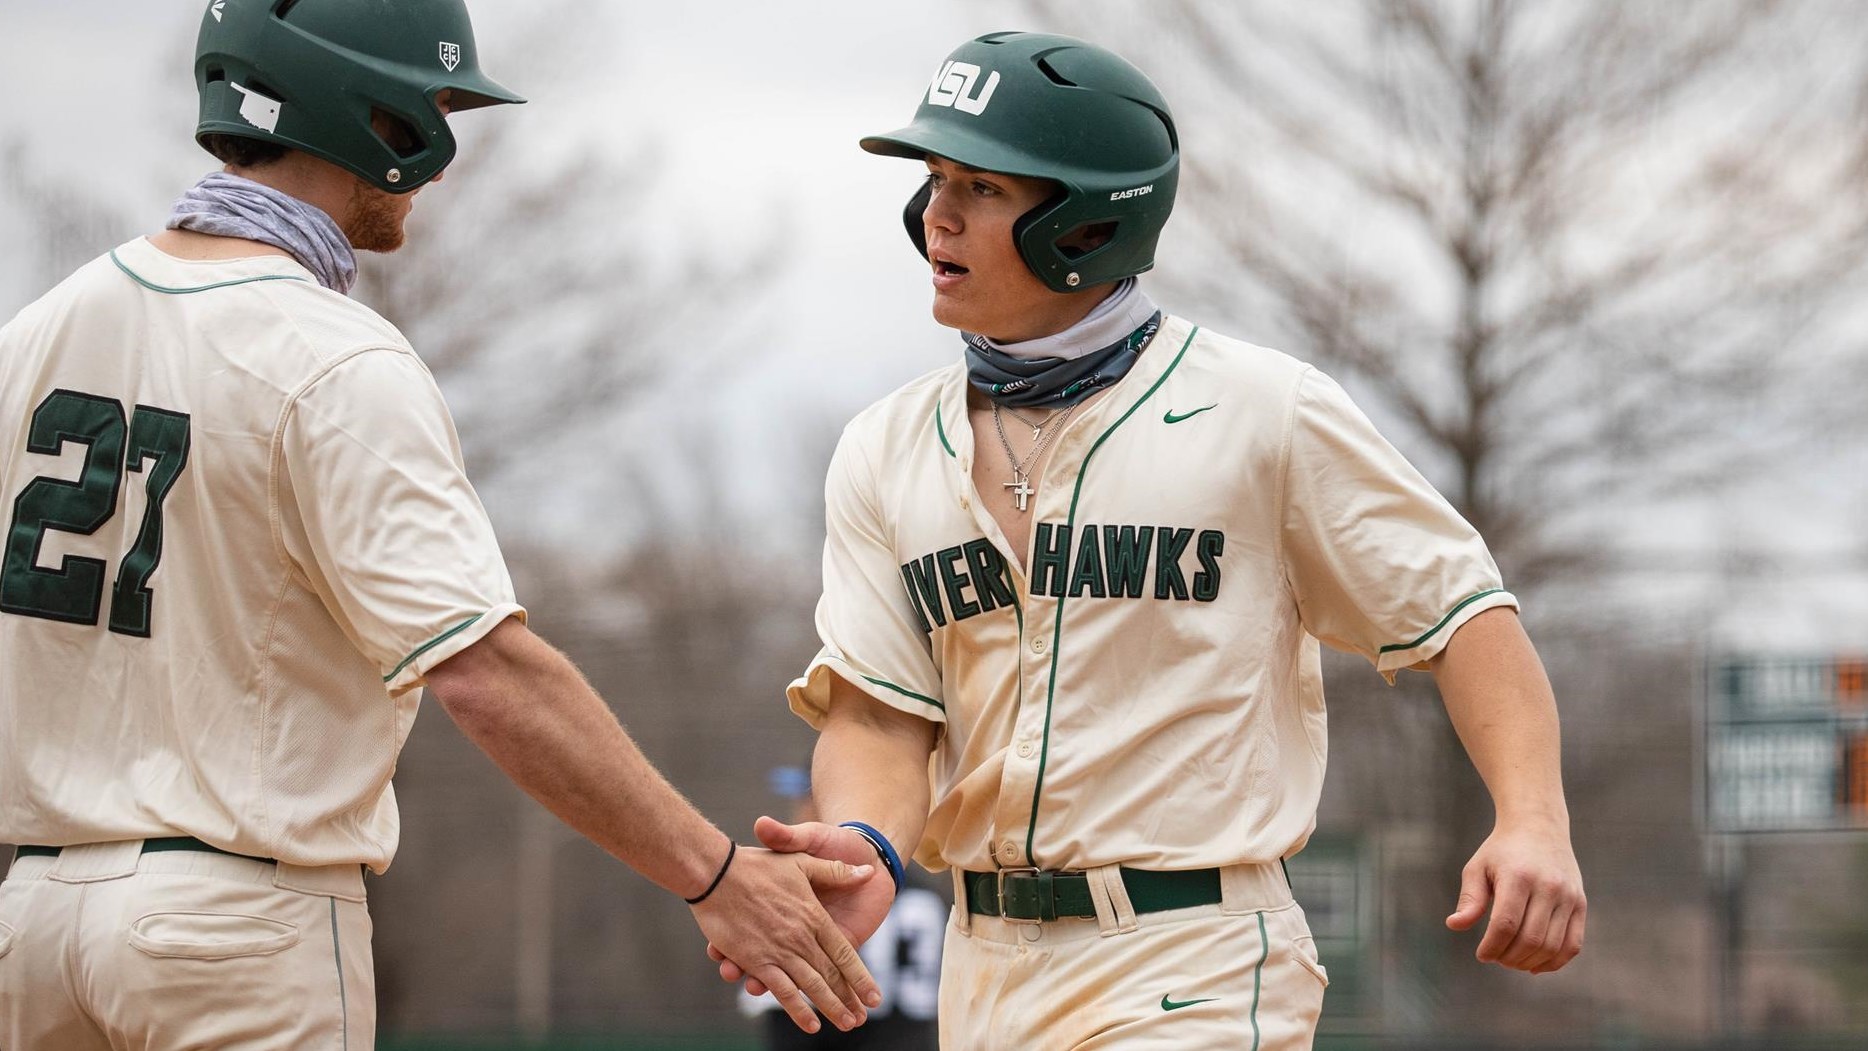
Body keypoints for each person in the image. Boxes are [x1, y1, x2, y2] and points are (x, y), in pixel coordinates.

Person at [0, 2, 877, 1047]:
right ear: (371, 115)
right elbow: (486, 676)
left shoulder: (38, 332)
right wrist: (716, 874)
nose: (443, 155)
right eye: (436, 107)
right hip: (231, 927)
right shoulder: (335, 357)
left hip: (35, 920)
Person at [730, 31, 1586, 1049]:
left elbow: (1458, 615)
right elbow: (881, 717)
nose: (936, 216)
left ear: (1087, 225)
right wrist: (866, 840)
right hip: (984, 970)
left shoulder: (1260, 412)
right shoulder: (883, 447)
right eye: (932, 182)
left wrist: (1531, 817)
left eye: (983, 188)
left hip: (1194, 955)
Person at [740, 767, 945, 1051]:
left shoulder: (800, 891)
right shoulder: (922, 891)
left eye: (807, 798)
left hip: (823, 1030)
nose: (799, 810)